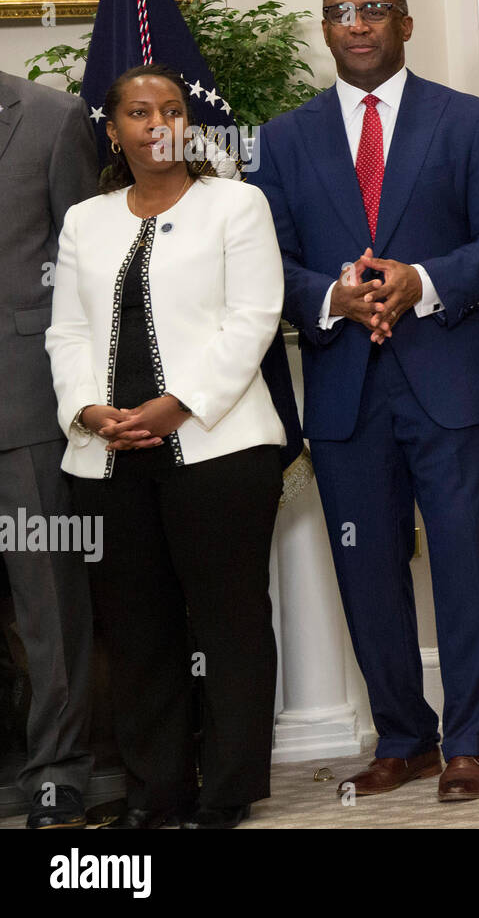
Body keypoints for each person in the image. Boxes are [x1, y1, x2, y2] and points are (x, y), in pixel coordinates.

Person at [248, 0, 479, 803]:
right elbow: (267, 261)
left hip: (445, 376)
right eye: (340, 13)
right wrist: (330, 297)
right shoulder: (284, 139)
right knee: (365, 568)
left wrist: (424, 280)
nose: (358, 23)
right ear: (325, 31)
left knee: (463, 559)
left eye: (374, 9)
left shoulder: (466, 120)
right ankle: (404, 737)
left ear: (405, 24)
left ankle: (471, 742)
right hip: (343, 384)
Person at [45, 65, 286, 828]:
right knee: (136, 630)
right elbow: (69, 332)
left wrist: (176, 405)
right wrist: (87, 408)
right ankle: (157, 792)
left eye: (173, 109)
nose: (158, 123)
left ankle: (225, 792)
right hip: (107, 457)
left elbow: (253, 319)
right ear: (111, 131)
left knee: (229, 623)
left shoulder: (237, 205)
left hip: (221, 450)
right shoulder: (86, 219)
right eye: (139, 112)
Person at [0, 69, 98, 829]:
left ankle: (58, 773)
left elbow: (83, 270)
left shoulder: (53, 118)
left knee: (47, 600)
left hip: (23, 398)